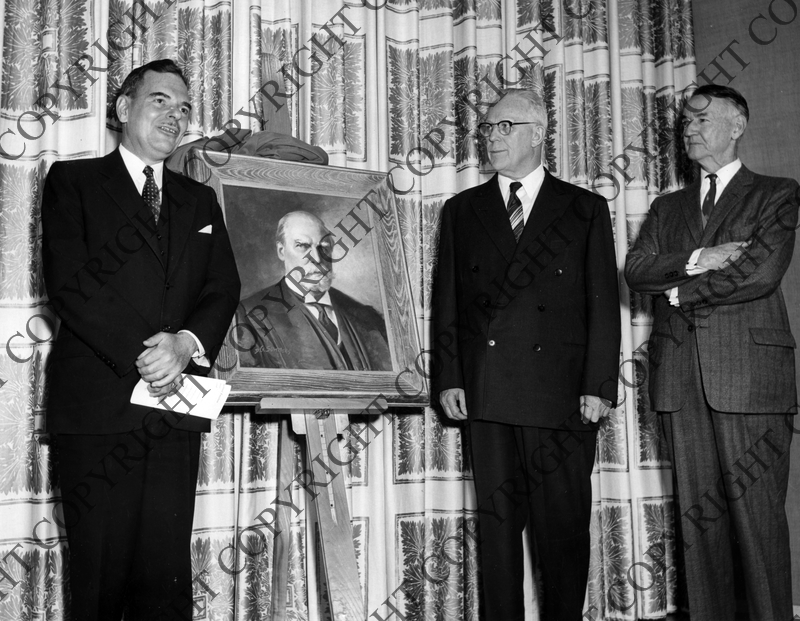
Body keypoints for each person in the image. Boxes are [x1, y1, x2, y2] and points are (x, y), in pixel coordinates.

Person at [42, 59, 241, 620]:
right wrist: (151, 353)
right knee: (100, 580)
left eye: (184, 109)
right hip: (99, 409)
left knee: (166, 584)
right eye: (160, 101)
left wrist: (184, 345)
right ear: (124, 109)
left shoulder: (199, 200)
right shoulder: (72, 181)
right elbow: (71, 285)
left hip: (175, 407)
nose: (175, 117)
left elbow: (223, 288)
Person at [432, 89, 620, 621]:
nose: (492, 137)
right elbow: (447, 301)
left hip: (561, 396)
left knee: (561, 532)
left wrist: (599, 385)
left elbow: (602, 304)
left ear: (539, 133)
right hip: (487, 394)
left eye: (504, 126)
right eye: (487, 128)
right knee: (497, 537)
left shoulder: (584, 208)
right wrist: (449, 376)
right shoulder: (462, 210)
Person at [625, 84, 797, 620]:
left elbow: (760, 272)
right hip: (680, 381)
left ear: (737, 125)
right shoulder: (668, 206)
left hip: (750, 380)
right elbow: (635, 271)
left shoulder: (777, 193)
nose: (689, 130)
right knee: (699, 532)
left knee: (757, 522)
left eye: (701, 119)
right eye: (684, 123)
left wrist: (677, 289)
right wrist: (701, 257)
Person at [236, 210, 391, 371]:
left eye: (324, 247)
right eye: (303, 246)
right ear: (281, 251)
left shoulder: (368, 317)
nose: (317, 259)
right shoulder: (248, 316)